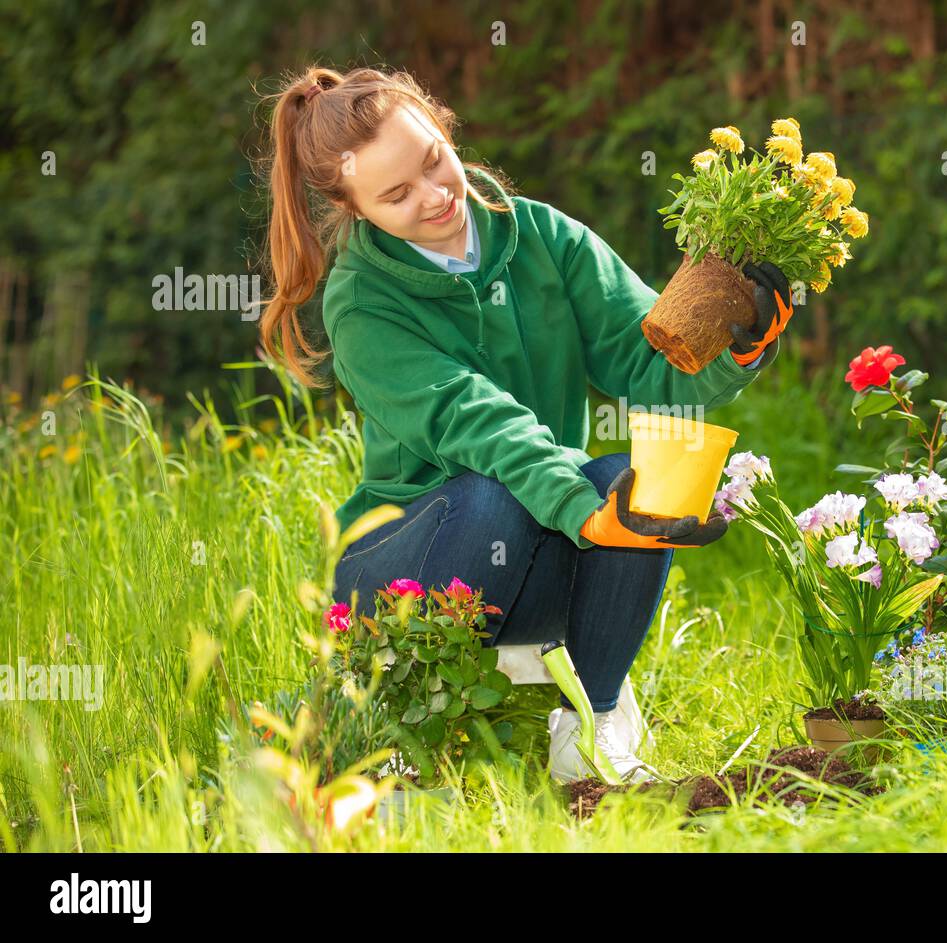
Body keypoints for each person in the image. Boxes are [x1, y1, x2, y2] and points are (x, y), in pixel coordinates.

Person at [257, 66, 792, 783]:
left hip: (532, 546)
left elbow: (649, 359)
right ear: (351, 204)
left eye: (433, 162)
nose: (436, 195)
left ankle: (591, 733)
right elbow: (475, 418)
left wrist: (740, 338)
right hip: (403, 571)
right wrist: (583, 509)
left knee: (634, 484)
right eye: (397, 194)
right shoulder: (362, 302)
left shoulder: (539, 235)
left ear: (441, 127)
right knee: (497, 488)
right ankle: (395, 716)